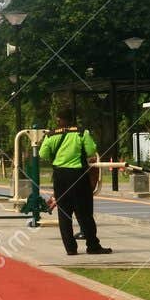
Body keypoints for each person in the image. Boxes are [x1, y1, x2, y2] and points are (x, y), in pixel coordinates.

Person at [39, 107, 110, 255]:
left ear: (59, 119)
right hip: (78, 176)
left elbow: (43, 153)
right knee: (84, 213)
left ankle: (70, 249)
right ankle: (93, 246)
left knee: (64, 214)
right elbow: (91, 151)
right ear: (72, 119)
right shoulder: (82, 132)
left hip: (60, 177)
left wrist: (56, 156)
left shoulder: (51, 135)